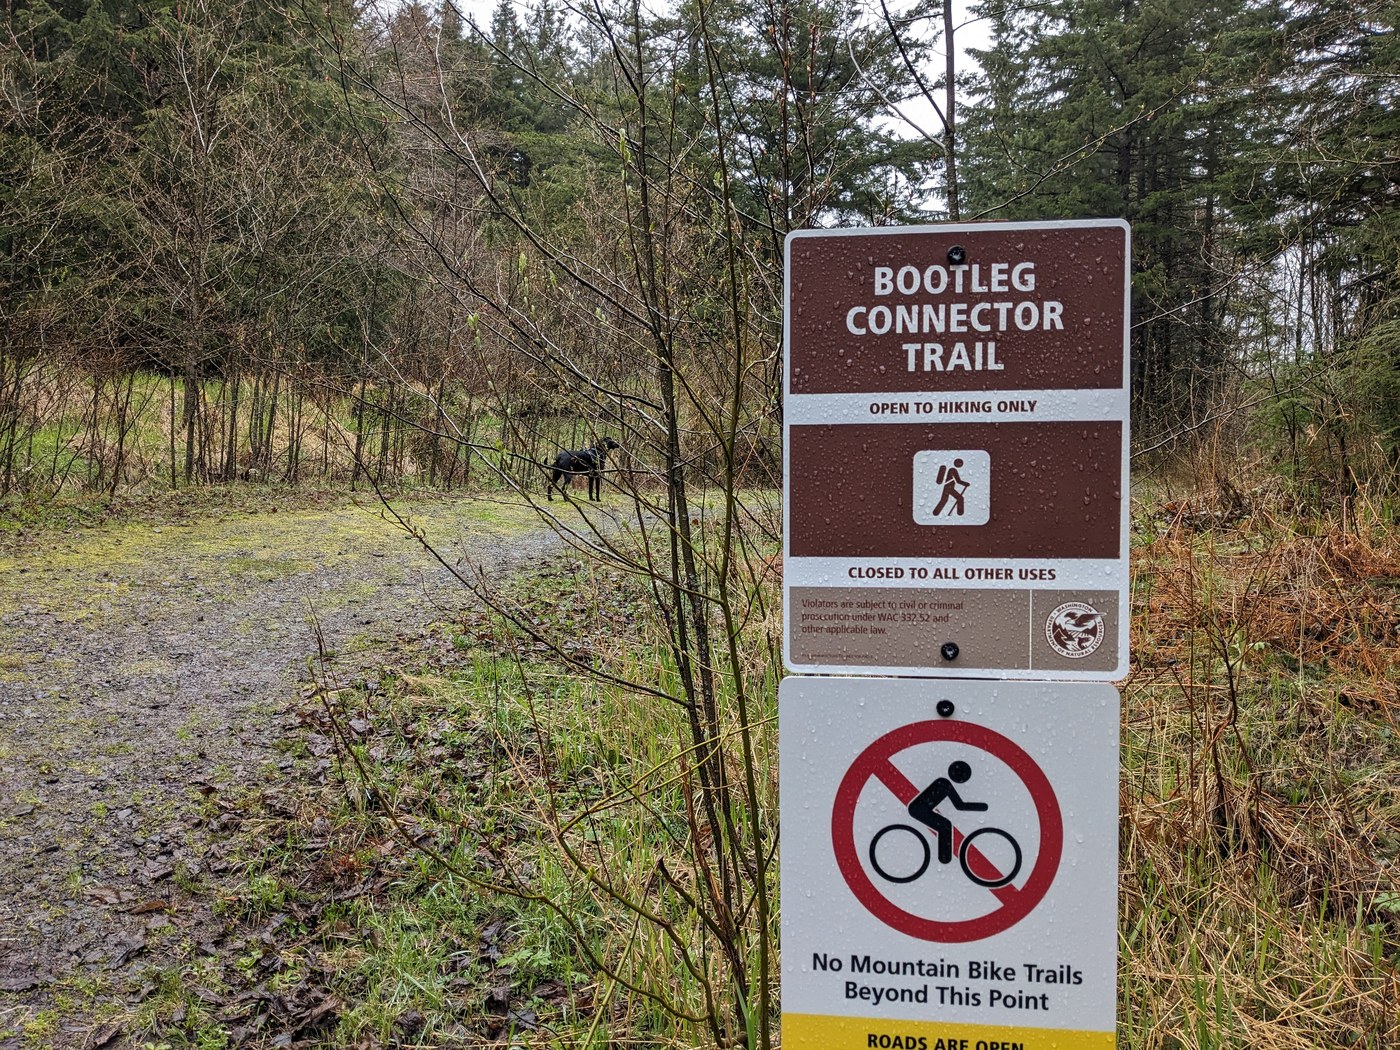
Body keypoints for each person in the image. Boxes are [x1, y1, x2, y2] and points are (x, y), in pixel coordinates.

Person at [906, 760, 987, 865]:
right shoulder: (944, 784)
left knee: (945, 825)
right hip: (917, 810)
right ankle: (944, 859)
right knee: (945, 825)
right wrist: (982, 807)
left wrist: (981, 807)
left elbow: (959, 805)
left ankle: (944, 859)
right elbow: (959, 805)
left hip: (919, 808)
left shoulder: (944, 782)